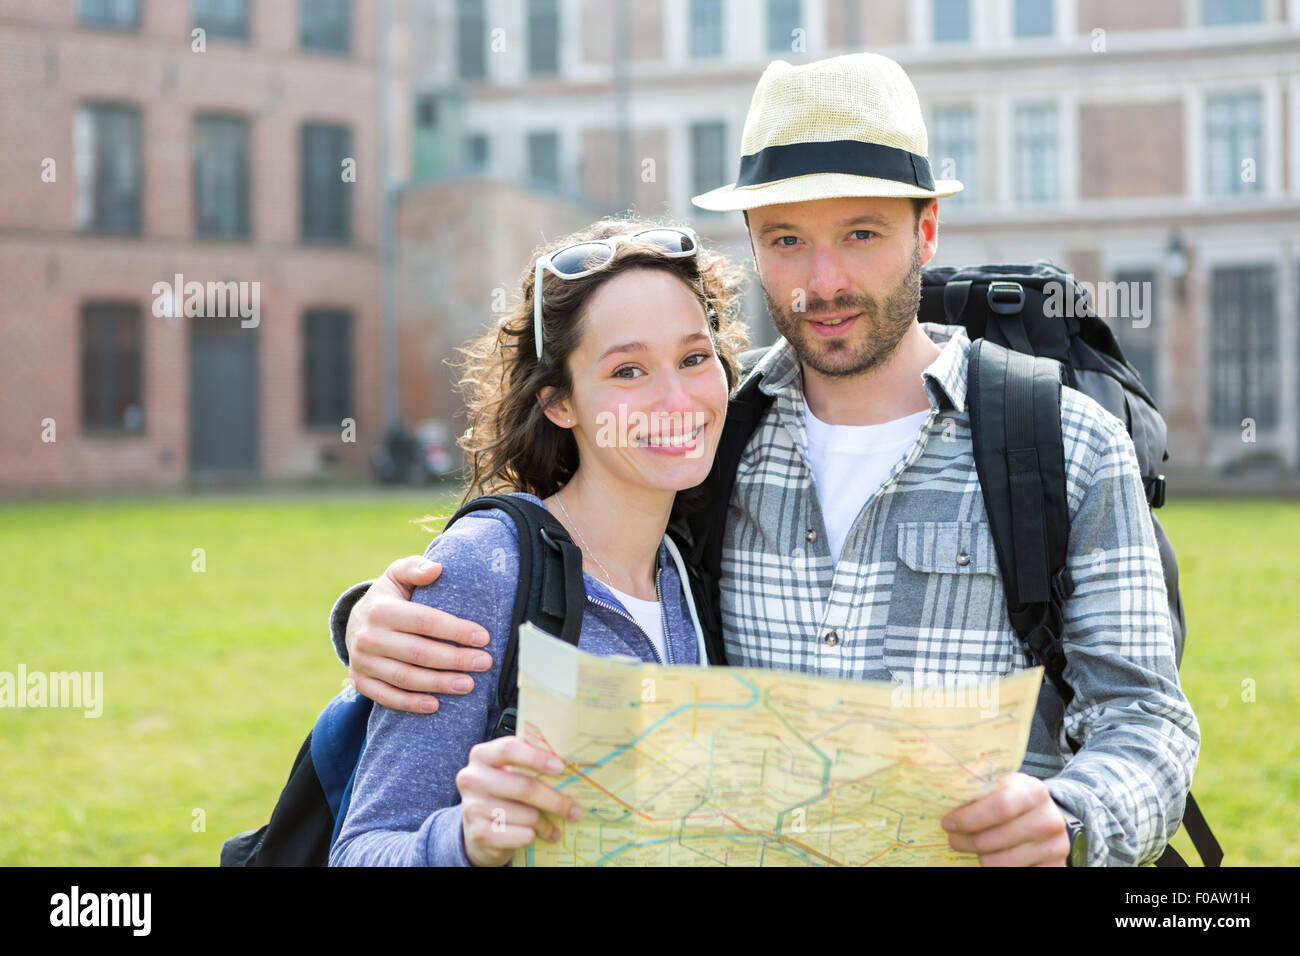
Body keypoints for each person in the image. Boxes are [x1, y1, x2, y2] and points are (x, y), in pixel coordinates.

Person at [329, 53, 1199, 867]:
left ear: (926, 230)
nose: (820, 282)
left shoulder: (1063, 442)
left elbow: (1147, 721)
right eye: (786, 240)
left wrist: (1074, 821)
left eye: (860, 234)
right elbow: (563, 550)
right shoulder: (720, 438)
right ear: (752, 242)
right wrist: (376, 618)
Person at [329, 219, 749, 866]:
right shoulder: (484, 569)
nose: (676, 399)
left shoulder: (695, 567)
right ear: (560, 402)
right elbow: (360, 850)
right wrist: (465, 839)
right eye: (628, 371)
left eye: (694, 359)